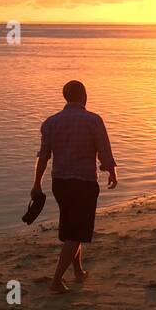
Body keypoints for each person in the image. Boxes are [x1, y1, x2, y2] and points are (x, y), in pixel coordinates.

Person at [31, 80, 117, 294]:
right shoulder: (93, 121)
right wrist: (112, 172)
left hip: (60, 183)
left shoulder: (51, 123)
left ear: (66, 97)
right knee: (77, 232)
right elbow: (104, 150)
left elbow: (43, 157)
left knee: (72, 227)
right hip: (84, 182)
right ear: (84, 96)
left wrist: (36, 183)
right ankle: (56, 281)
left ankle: (78, 271)